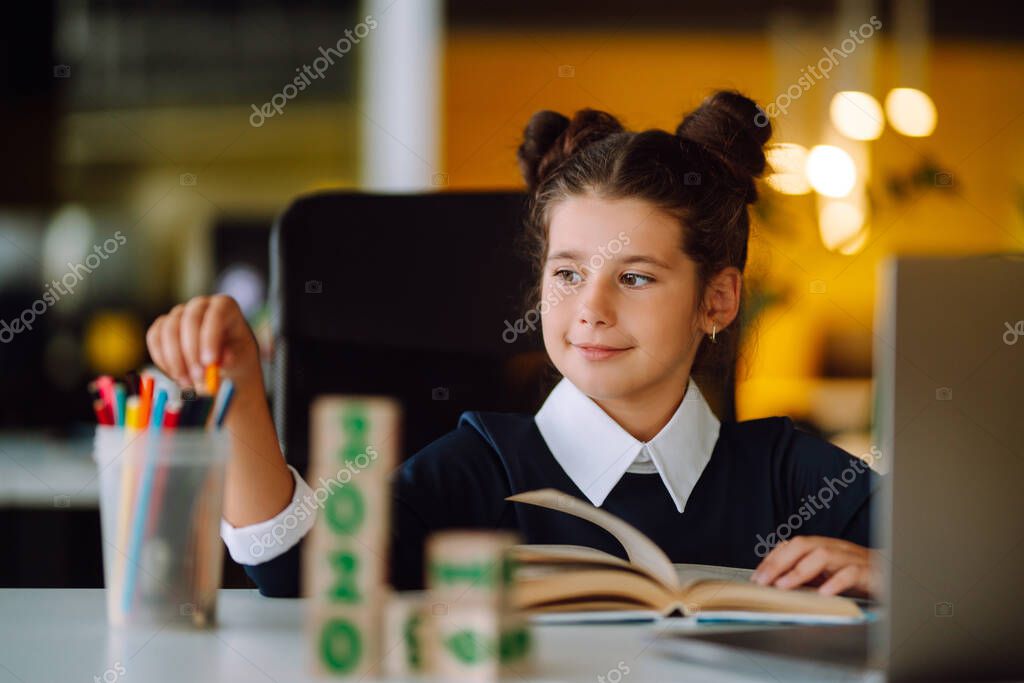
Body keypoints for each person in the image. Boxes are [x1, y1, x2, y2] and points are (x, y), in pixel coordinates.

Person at [145, 90, 880, 600]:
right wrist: (237, 388)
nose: (589, 308)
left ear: (716, 300)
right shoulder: (476, 466)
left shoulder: (790, 474)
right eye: (567, 273)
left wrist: (897, 572)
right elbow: (301, 571)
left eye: (634, 276)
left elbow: (980, 566)